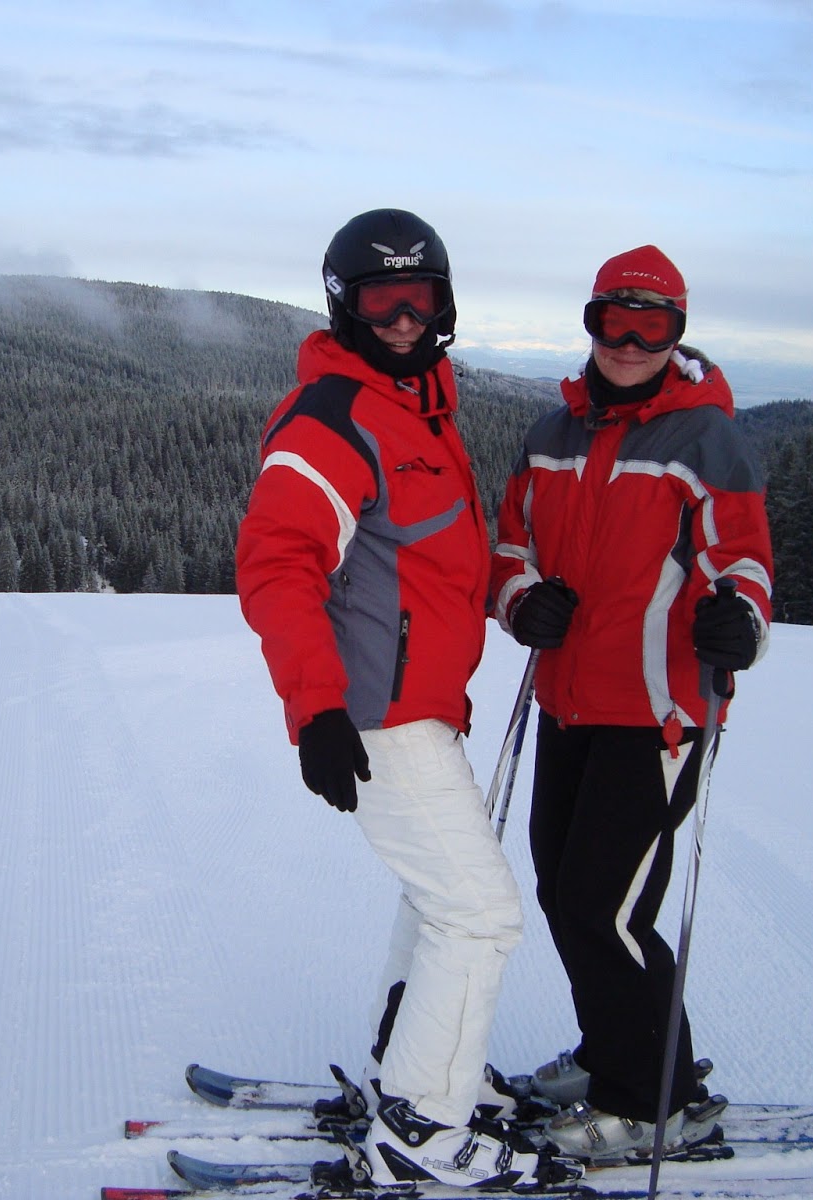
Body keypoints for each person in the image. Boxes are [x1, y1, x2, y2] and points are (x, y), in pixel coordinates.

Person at [235, 209, 539, 1187]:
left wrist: (513, 596)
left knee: (440, 896)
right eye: (381, 300)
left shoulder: (419, 410)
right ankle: (421, 1128)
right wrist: (314, 712)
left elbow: (432, 556)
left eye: (420, 299)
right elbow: (277, 565)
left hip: (426, 707)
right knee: (479, 912)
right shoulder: (334, 417)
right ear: (346, 307)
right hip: (375, 716)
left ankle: (411, 1066)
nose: (403, 319)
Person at [489, 245, 774, 1161]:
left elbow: (744, 558)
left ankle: (652, 1102)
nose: (627, 342)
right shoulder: (553, 433)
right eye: (613, 320)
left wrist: (739, 615)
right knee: (563, 892)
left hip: (657, 715)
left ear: (677, 334)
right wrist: (522, 600)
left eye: (650, 325)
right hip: (568, 702)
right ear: (592, 324)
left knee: (602, 909)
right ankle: (618, 1049)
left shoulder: (706, 439)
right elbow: (510, 545)